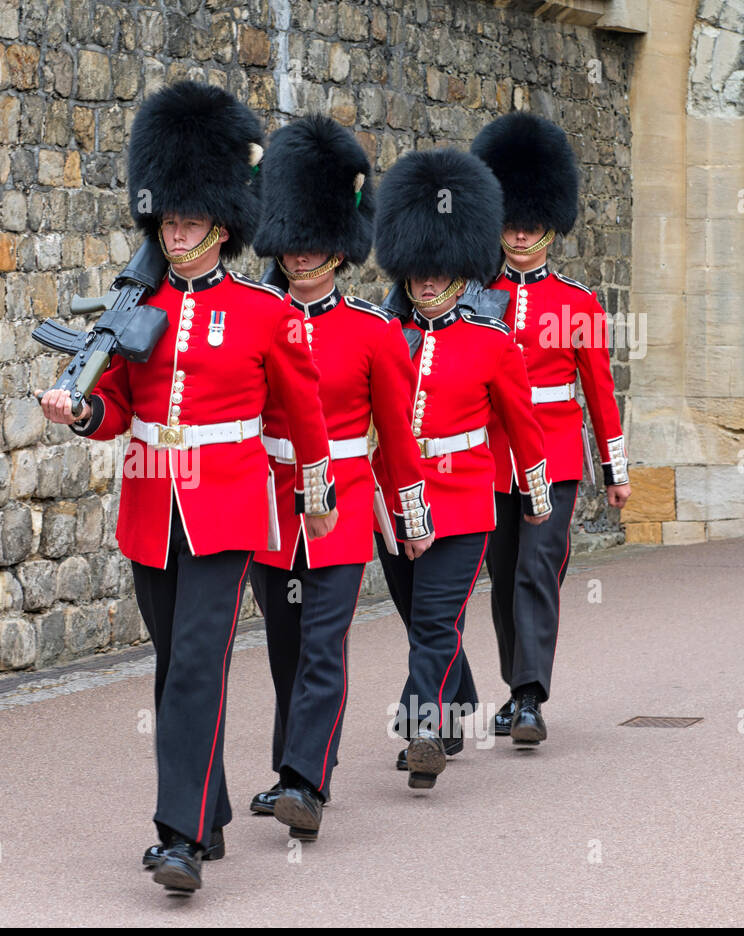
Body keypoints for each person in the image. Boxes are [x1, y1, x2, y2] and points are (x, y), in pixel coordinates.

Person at [37, 82, 338, 894]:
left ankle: (175, 838)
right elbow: (120, 412)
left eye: (190, 221)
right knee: (174, 665)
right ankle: (206, 817)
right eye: (167, 220)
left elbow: (303, 413)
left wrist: (317, 490)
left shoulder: (263, 313)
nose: (176, 234)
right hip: (151, 502)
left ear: (222, 225)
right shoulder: (136, 307)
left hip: (231, 506)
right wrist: (80, 409)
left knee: (200, 663)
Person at [242, 115, 431, 840]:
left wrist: (410, 520)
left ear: (342, 243)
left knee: (324, 646)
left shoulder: (374, 332)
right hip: (272, 504)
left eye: (315, 240)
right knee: (286, 649)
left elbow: (398, 437)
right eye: (290, 240)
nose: (300, 254)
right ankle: (290, 767)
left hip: (345, 506)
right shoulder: (257, 317)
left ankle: (305, 782)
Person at [371, 147, 553, 789]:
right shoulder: (386, 333)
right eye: (416, 270)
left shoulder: (492, 341)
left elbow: (523, 424)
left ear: (462, 272)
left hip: (463, 501)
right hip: (394, 502)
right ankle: (456, 708)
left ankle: (423, 732)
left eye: (438, 270)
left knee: (433, 622)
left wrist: (535, 494)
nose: (425, 282)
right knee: (423, 619)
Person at [471, 113, 632, 745]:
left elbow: (599, 392)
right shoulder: (478, 293)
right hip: (491, 456)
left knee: (538, 569)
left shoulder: (579, 303)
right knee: (503, 572)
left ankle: (531, 696)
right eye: (510, 224)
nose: (517, 235)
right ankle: (518, 687)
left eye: (530, 226)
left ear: (550, 229)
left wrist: (614, 471)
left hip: (556, 457)